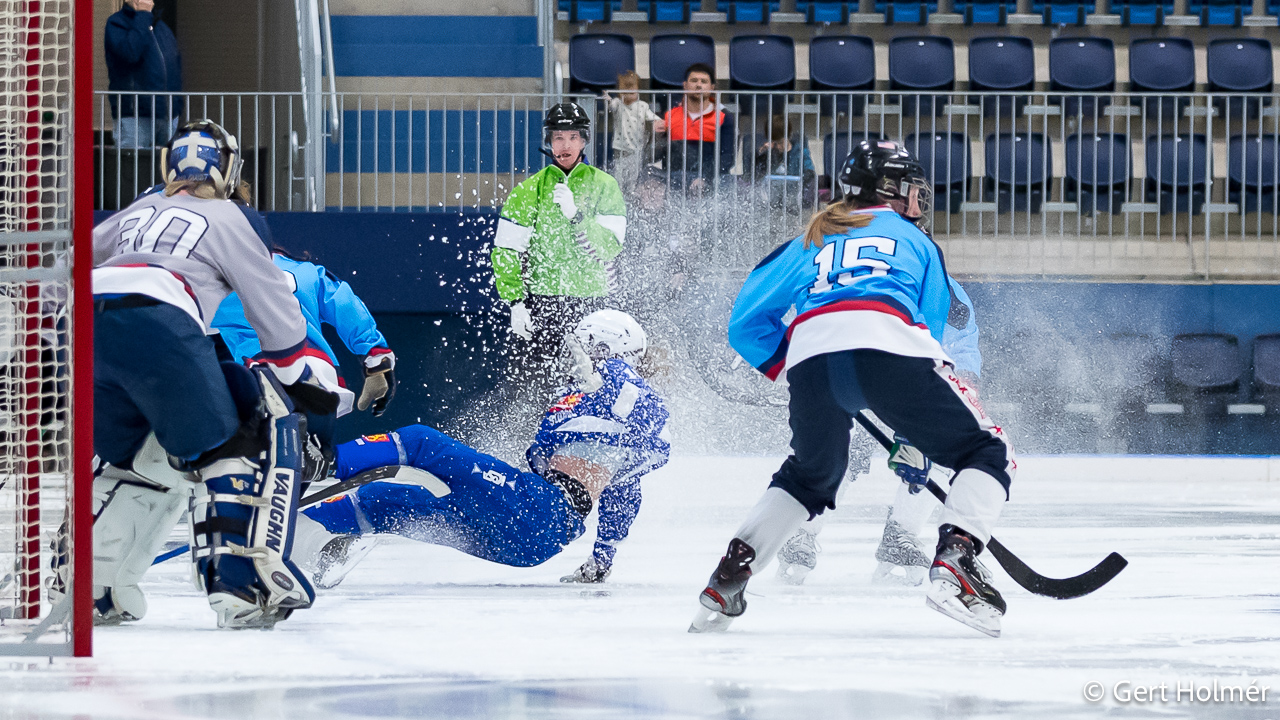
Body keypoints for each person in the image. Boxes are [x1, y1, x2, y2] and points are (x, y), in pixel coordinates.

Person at [690, 140, 1015, 638]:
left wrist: (795, 368)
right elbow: (927, 334)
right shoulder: (918, 242)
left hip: (814, 361)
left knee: (808, 477)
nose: (917, 201)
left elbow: (745, 324)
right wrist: (916, 431)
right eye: (912, 190)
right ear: (891, 190)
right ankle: (957, 557)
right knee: (989, 450)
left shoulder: (813, 236)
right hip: (890, 348)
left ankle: (729, 576)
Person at [90, 120, 341, 629]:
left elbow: (74, 261)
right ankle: (239, 585)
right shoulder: (232, 215)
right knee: (240, 441)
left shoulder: (138, 208)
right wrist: (298, 372)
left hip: (83, 327)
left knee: (134, 458)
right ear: (227, 169)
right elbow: (271, 301)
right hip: (160, 319)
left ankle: (89, 584)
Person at [292, 311, 669, 587]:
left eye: (585, 347)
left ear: (606, 346)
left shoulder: (619, 390)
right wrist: (602, 558)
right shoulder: (587, 402)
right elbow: (623, 496)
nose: (575, 358)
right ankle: (291, 537)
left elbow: (646, 406)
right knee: (380, 498)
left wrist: (608, 377)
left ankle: (313, 462)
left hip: (542, 510)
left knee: (422, 442)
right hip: (532, 539)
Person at [775, 276, 982, 587]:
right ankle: (802, 530)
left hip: (914, 383)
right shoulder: (844, 274)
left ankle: (902, 534)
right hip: (851, 373)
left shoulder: (940, 287)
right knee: (836, 451)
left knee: (945, 449)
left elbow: (962, 344)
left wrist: (951, 394)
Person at [491, 102, 627, 391]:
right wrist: (516, 302)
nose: (565, 145)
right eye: (558, 137)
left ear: (584, 140)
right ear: (549, 141)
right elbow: (506, 251)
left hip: (593, 301)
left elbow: (610, 248)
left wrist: (577, 217)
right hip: (543, 302)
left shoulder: (605, 186)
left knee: (596, 385)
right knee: (540, 386)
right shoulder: (529, 190)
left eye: (573, 137)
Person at [211, 250, 398, 453]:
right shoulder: (308, 272)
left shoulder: (221, 281)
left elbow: (182, 323)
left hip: (263, 373)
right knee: (313, 460)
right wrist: (377, 363)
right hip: (321, 375)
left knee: (262, 464)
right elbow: (345, 304)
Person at [104, 0, 183, 148]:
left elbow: (175, 65)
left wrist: (177, 105)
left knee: (164, 168)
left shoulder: (162, 28)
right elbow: (130, 52)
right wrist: (143, 15)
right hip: (135, 114)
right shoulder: (117, 23)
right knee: (132, 167)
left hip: (167, 114)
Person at [658, 64, 736, 195]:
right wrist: (654, 137)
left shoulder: (723, 117)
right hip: (675, 176)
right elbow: (657, 153)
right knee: (648, 176)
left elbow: (728, 157)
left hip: (709, 176)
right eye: (694, 81)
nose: (698, 85)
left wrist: (705, 177)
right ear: (685, 85)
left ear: (712, 88)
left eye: (704, 81)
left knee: (727, 182)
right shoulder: (669, 115)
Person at [607, 71, 666, 193]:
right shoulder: (618, 104)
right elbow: (612, 105)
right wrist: (608, 99)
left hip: (637, 148)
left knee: (633, 176)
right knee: (619, 174)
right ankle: (619, 194)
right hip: (621, 147)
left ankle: (631, 195)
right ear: (620, 91)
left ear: (638, 90)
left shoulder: (642, 105)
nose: (629, 92)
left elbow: (652, 116)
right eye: (625, 89)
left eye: (632, 88)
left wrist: (660, 122)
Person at [751, 115, 816, 208]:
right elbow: (757, 176)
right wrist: (762, 155)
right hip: (773, 200)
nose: (778, 147)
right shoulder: (769, 154)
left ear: (788, 137)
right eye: (774, 143)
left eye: (781, 142)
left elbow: (810, 172)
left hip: (794, 200)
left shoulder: (800, 152)